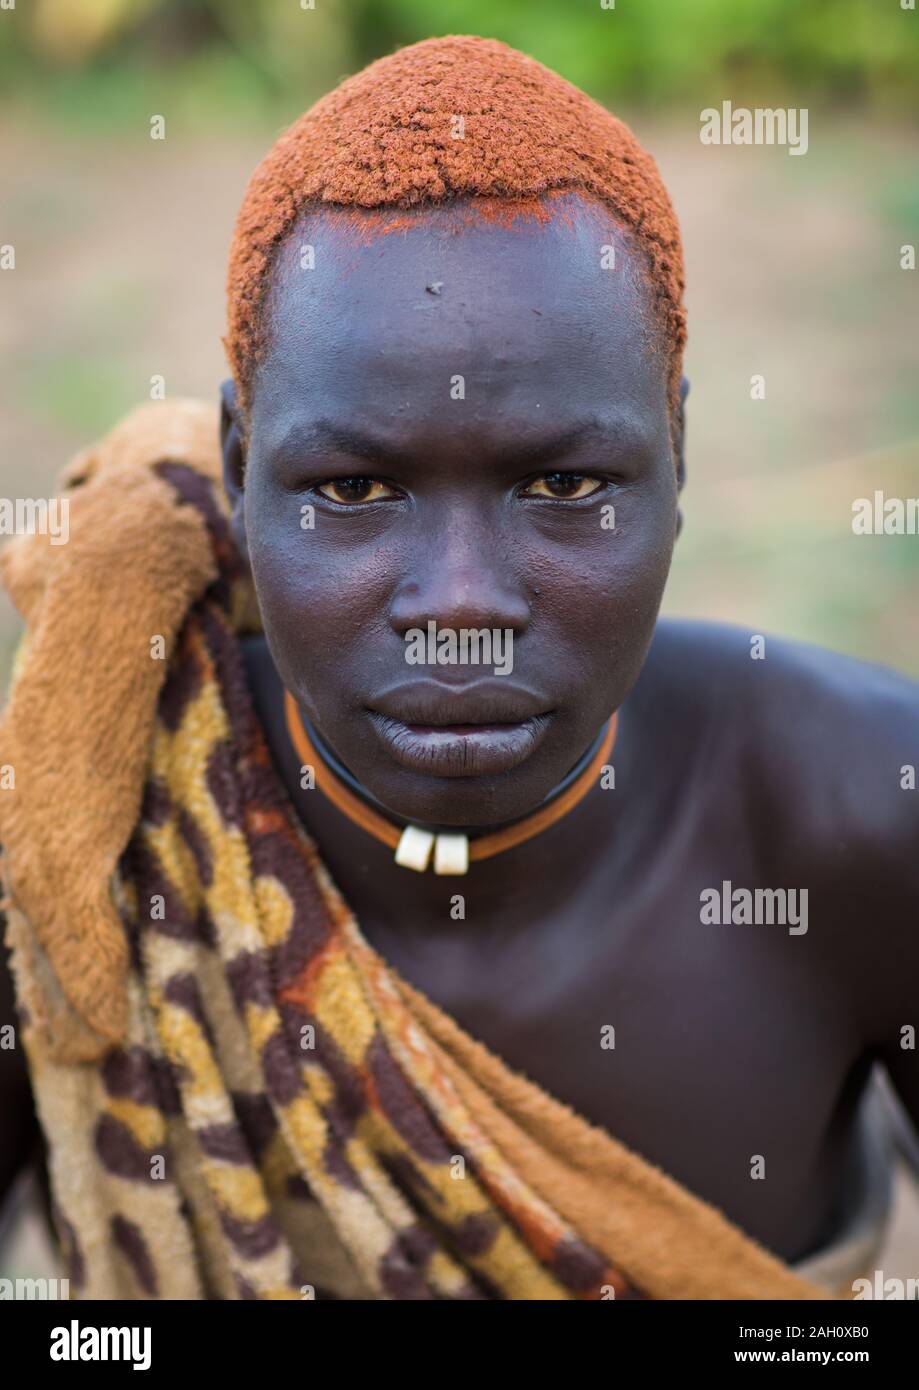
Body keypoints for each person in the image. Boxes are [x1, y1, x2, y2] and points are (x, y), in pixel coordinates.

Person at [0, 34, 916, 1301]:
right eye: (354, 488)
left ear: (680, 455)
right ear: (238, 461)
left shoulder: (862, 813)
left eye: (561, 485)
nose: (460, 606)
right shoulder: (93, 843)